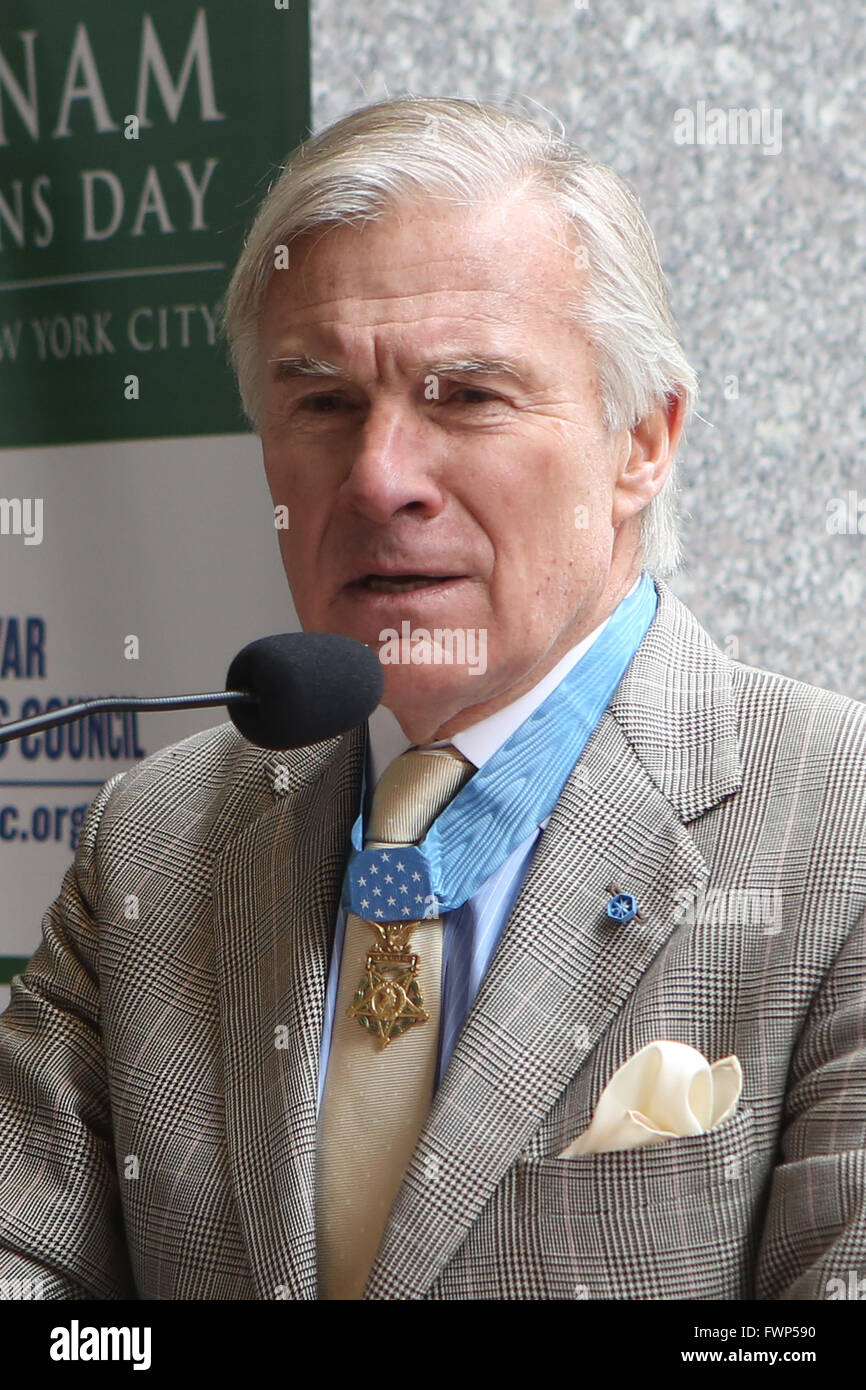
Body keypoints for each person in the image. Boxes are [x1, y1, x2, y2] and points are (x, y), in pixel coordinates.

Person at [1, 96, 864, 1302]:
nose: (377, 476)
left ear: (642, 444)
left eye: (465, 395)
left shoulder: (837, 825)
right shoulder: (151, 834)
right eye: (322, 403)